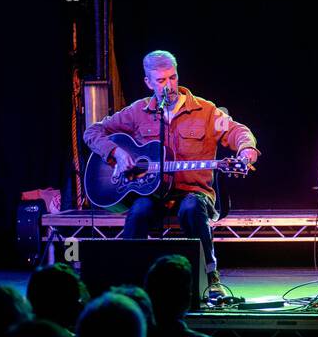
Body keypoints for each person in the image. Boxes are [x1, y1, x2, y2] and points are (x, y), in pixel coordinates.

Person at [83, 50, 260, 302]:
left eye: (173, 78)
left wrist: (247, 148)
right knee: (139, 211)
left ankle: (210, 277)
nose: (169, 85)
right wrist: (117, 153)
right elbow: (93, 131)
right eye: (161, 80)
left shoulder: (206, 110)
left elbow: (236, 131)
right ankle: (130, 283)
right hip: (154, 193)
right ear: (148, 82)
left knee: (191, 206)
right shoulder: (137, 112)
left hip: (194, 192)